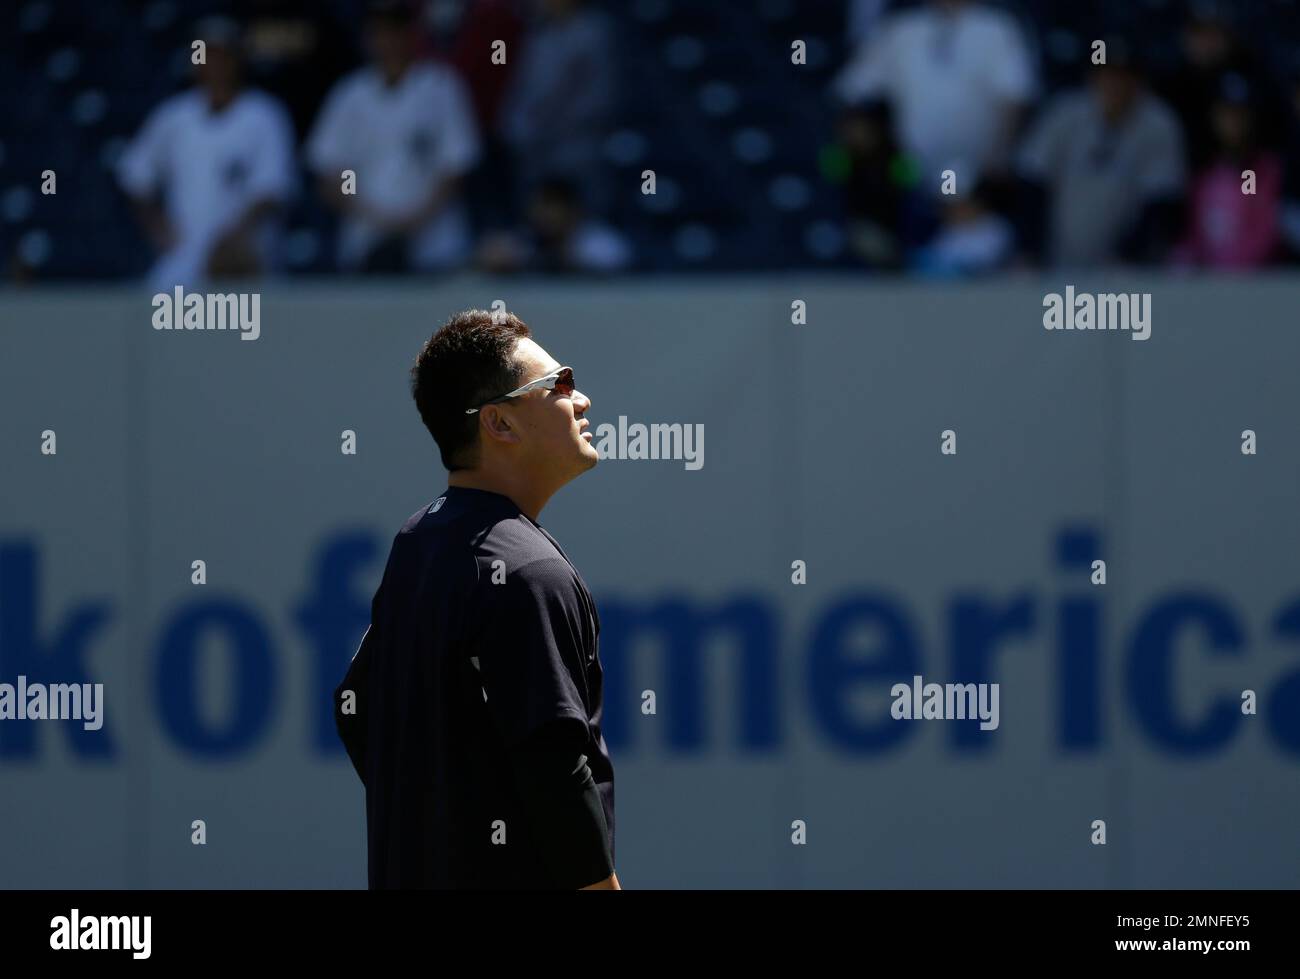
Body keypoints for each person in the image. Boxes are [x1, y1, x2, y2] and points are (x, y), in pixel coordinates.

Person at [335, 309, 619, 890]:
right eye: (559, 384)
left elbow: (354, 709)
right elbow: (553, 767)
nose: (581, 398)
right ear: (500, 424)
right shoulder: (529, 570)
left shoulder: (418, 540)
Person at [117, 16, 296, 289]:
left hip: (248, 260)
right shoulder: (173, 116)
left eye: (222, 55)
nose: (214, 64)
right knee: (156, 313)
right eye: (206, 55)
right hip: (184, 259)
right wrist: (160, 229)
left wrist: (235, 237)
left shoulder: (264, 115)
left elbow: (271, 189)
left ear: (237, 59)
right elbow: (135, 175)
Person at [306, 0, 480, 273]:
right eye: (380, 31)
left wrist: (413, 220)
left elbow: (457, 166)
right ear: (367, 38)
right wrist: (375, 217)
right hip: (364, 245)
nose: (388, 40)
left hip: (435, 250)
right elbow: (328, 173)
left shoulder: (442, 86)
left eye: (396, 30)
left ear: (412, 34)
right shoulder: (349, 94)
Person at [1016, 37, 1186, 269]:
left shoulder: (1158, 123)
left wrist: (1130, 256)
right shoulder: (1064, 115)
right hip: (1057, 263)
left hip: (1127, 271)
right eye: (1106, 74)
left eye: (1122, 75)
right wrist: (1029, 251)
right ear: (1092, 78)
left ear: (1138, 80)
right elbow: (1033, 184)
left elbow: (1160, 201)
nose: (1114, 84)